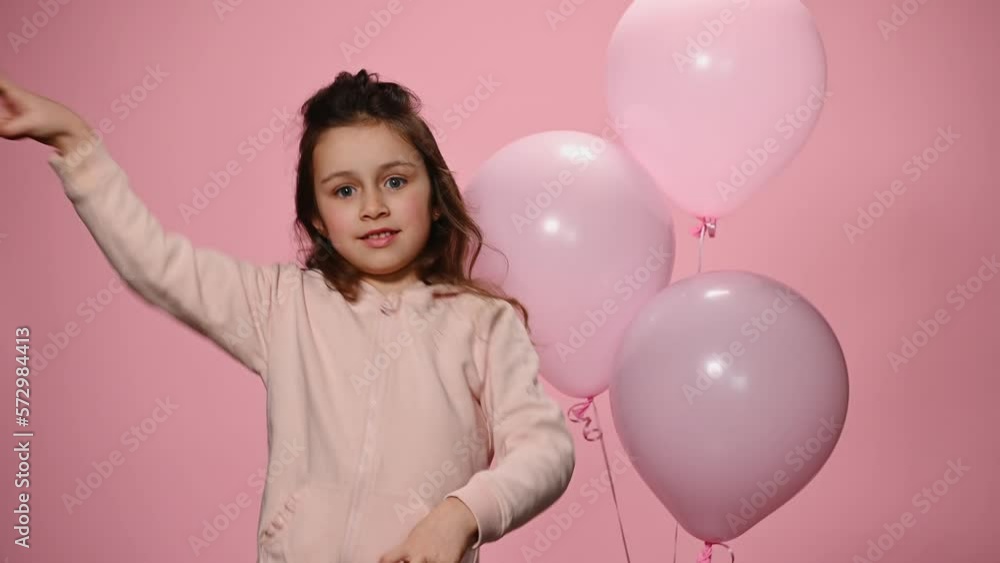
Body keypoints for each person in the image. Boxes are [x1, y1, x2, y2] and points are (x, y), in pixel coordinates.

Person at [0, 69, 576, 563]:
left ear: (434, 192)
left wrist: (460, 515)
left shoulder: (483, 323)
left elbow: (545, 450)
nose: (373, 206)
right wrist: (74, 141)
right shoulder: (281, 305)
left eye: (395, 181)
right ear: (317, 217)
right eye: (344, 191)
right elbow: (155, 261)